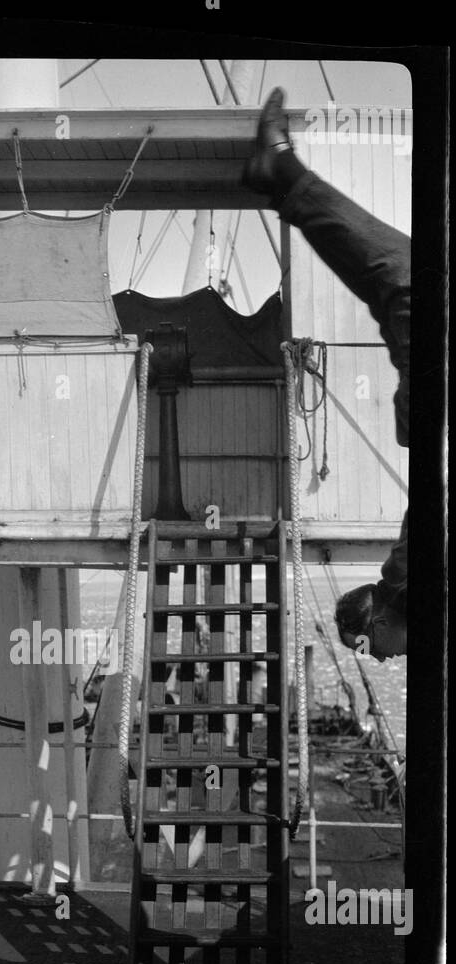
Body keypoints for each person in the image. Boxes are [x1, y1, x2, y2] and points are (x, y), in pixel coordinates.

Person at [243, 88, 409, 663]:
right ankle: (284, 174)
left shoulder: (410, 583)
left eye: (367, 645)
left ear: (381, 615)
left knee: (401, 278)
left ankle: (285, 175)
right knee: (397, 278)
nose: (380, 657)